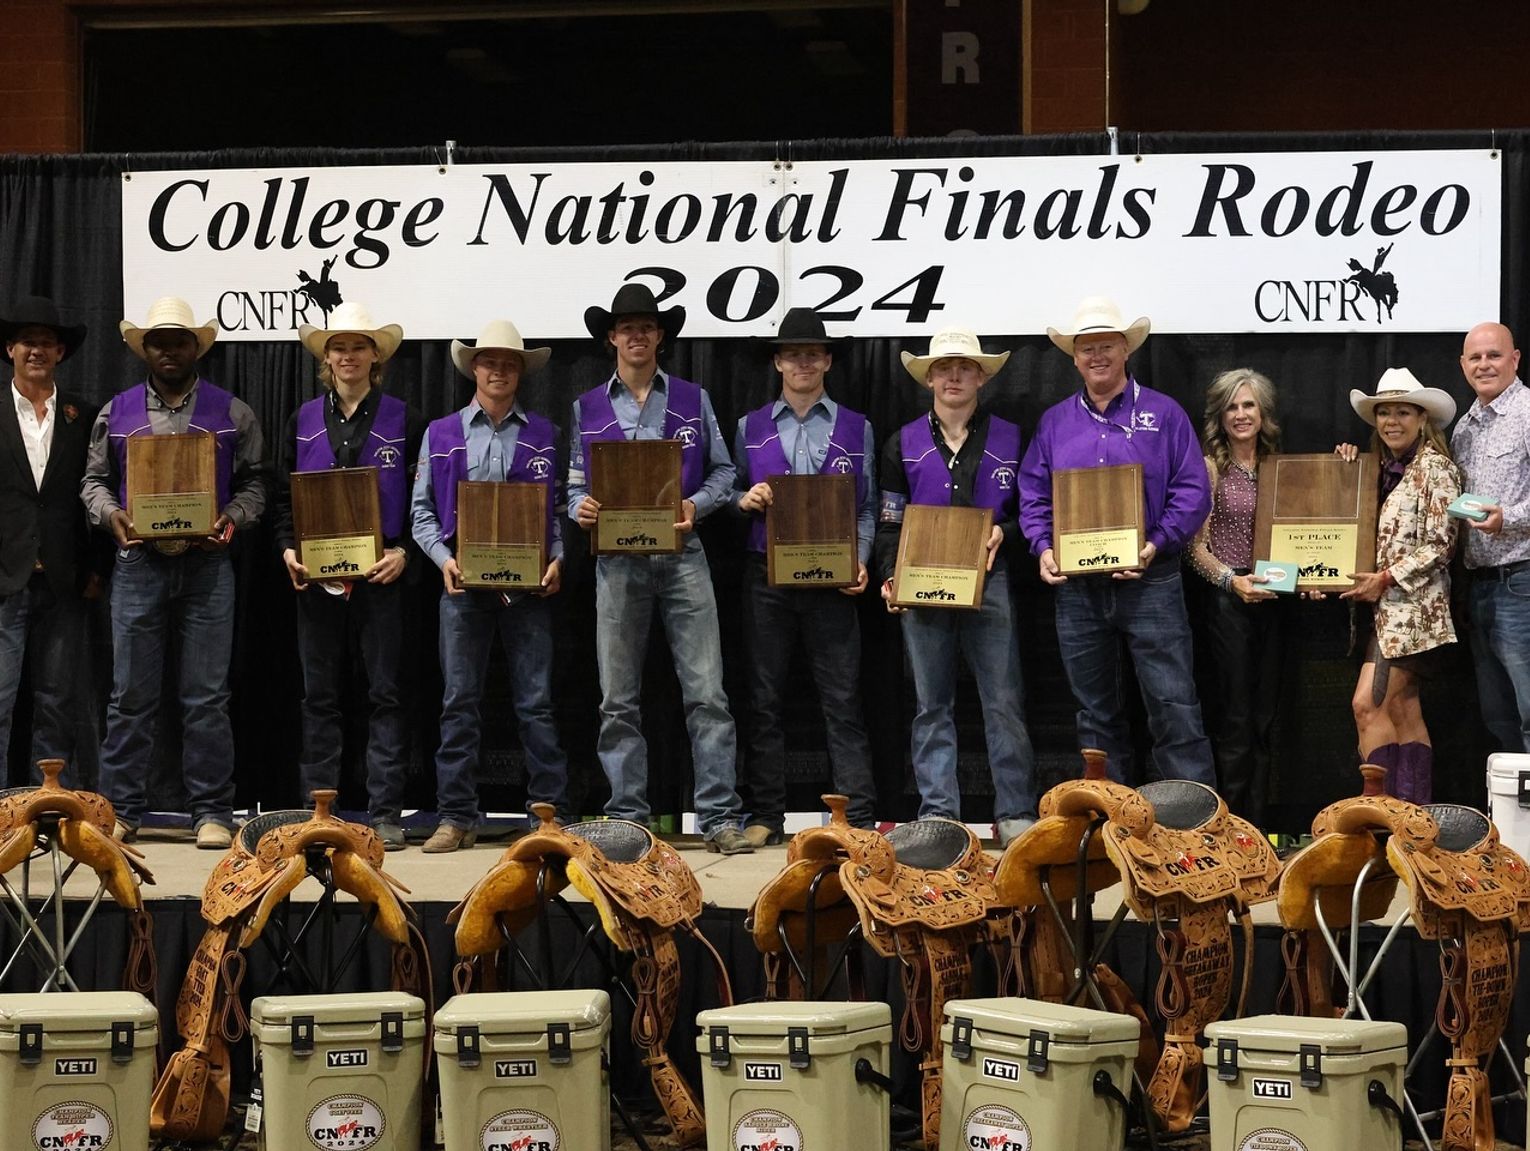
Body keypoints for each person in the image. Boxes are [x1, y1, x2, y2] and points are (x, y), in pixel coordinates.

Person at [567, 284, 752, 854]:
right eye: (627, 327)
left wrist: (698, 504)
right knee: (617, 698)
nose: (637, 335)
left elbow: (724, 473)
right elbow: (573, 487)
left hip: (683, 557)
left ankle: (719, 817)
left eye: (647, 326)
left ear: (660, 336)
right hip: (617, 563)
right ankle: (628, 817)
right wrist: (582, 508)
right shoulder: (586, 407)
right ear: (611, 339)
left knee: (708, 693)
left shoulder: (693, 400)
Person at [82, 297, 266, 847]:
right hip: (137, 565)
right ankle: (121, 810)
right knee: (130, 695)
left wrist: (231, 520)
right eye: (158, 341)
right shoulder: (114, 414)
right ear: (146, 350)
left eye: (178, 340)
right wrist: (111, 515)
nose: (168, 349)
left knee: (206, 696)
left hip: (209, 567)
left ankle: (211, 811)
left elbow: (258, 484)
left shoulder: (233, 413)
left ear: (195, 348)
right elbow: (92, 483)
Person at [1019, 296, 1215, 785]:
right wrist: (1043, 547)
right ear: (1074, 356)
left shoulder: (1165, 414)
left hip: (1152, 582)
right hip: (1077, 591)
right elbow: (1033, 494)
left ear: (1126, 349)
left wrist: (1156, 544)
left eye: (1106, 345)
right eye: (1086, 347)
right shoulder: (1054, 423)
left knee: (1174, 705)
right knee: (1093, 712)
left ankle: (1192, 825)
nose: (1096, 355)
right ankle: (1112, 819)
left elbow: (1192, 491)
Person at [875, 326, 1038, 845]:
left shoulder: (1015, 437)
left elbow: (1033, 510)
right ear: (929, 380)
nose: (953, 376)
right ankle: (939, 813)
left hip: (990, 583)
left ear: (981, 376)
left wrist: (1004, 534)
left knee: (1004, 700)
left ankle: (1014, 812)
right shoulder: (900, 442)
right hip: (921, 588)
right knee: (931, 703)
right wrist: (888, 575)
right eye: (943, 368)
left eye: (964, 367)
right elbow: (888, 521)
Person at [412, 319, 568, 852]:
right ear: (472, 369)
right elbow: (421, 514)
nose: (498, 370)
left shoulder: (546, 433)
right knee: (459, 701)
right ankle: (456, 816)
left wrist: (558, 558)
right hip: (462, 590)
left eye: (508, 363)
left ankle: (546, 816)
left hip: (529, 592)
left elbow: (557, 512)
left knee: (537, 703)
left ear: (519, 373)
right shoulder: (441, 433)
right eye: (489, 361)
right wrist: (442, 560)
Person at [274, 302, 422, 850]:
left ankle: (385, 811)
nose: (348, 355)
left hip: (383, 578)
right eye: (339, 347)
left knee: (385, 694)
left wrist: (405, 550)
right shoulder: (302, 419)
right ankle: (320, 808)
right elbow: (285, 500)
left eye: (358, 346)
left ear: (374, 356)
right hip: (316, 582)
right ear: (326, 358)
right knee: (319, 698)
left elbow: (421, 497)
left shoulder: (406, 418)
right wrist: (287, 549)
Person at [732, 307, 877, 845]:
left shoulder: (858, 426)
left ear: (828, 361)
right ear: (777, 362)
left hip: (832, 581)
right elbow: (727, 486)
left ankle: (855, 817)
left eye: (812, 353)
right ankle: (766, 816)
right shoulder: (749, 426)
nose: (803, 363)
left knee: (842, 699)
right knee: (765, 699)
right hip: (765, 577)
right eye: (793, 354)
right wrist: (742, 498)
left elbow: (867, 507)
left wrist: (861, 557)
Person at [1338, 368, 1461, 803]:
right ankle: (1414, 819)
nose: (1392, 420)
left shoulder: (1436, 469)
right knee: (1403, 708)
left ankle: (1384, 815)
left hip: (1413, 611)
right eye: (1384, 412)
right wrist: (1345, 470)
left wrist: (1386, 578)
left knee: (1367, 705)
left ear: (1422, 418)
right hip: (1382, 611)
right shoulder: (1376, 468)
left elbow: (1441, 545)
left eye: (1403, 412)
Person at [0, 296, 102, 784]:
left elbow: (102, 496)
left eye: (46, 343)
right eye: (27, 342)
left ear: (60, 352)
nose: (36, 350)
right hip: (4, 577)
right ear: (10, 349)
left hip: (66, 578)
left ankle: (48, 804)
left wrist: (97, 569)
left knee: (57, 700)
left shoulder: (85, 416)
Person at [1185, 368, 1287, 823]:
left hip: (1276, 598)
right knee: (1236, 720)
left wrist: (1344, 461)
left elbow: (1309, 532)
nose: (1241, 414)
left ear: (1263, 412)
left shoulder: (1282, 465)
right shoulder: (1209, 467)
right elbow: (1194, 548)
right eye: (1232, 406)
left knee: (1267, 718)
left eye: (1248, 405)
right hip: (1229, 600)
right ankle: (1230, 827)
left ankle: (1260, 827)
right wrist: (1232, 581)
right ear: (1220, 415)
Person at [1451, 323, 1530, 754]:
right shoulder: (1464, 427)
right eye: (1476, 358)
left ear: (1514, 359)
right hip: (1479, 588)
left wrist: (1509, 519)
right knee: (1498, 716)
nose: (1484, 365)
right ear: (1463, 366)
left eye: (1494, 355)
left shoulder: (1528, 413)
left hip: (1522, 582)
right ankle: (1515, 819)